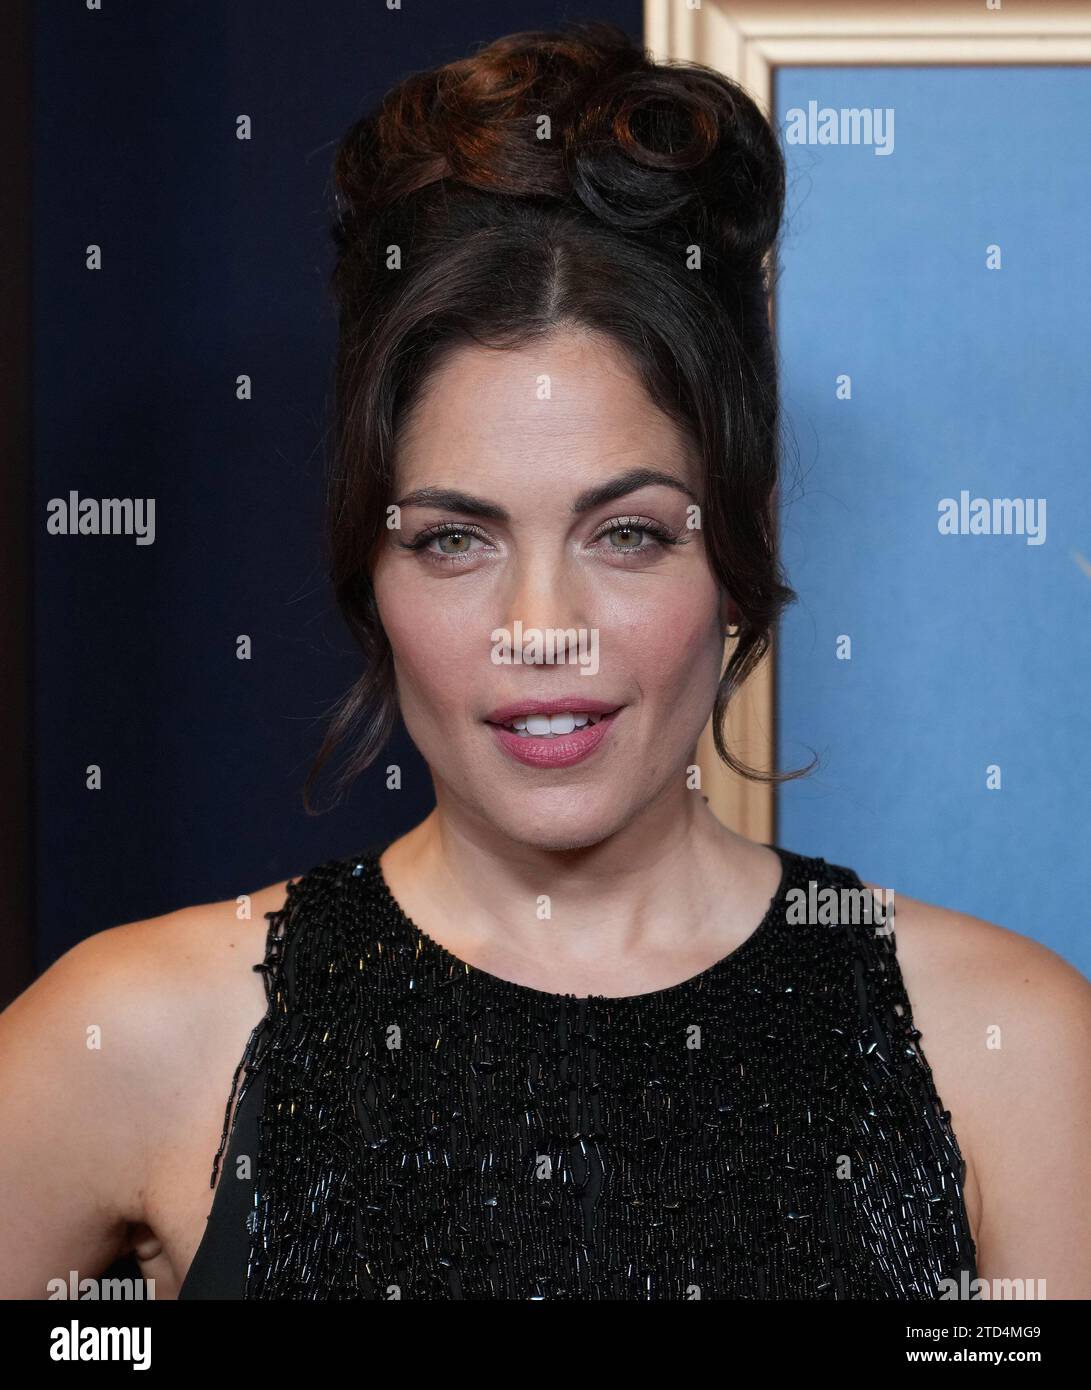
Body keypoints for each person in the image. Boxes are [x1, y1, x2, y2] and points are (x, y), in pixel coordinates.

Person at [2, 21, 1089, 1302]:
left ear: (733, 551)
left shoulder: (1010, 1049)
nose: (539, 627)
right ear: (370, 566)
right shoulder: (133, 1032)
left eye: (624, 532)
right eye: (454, 538)